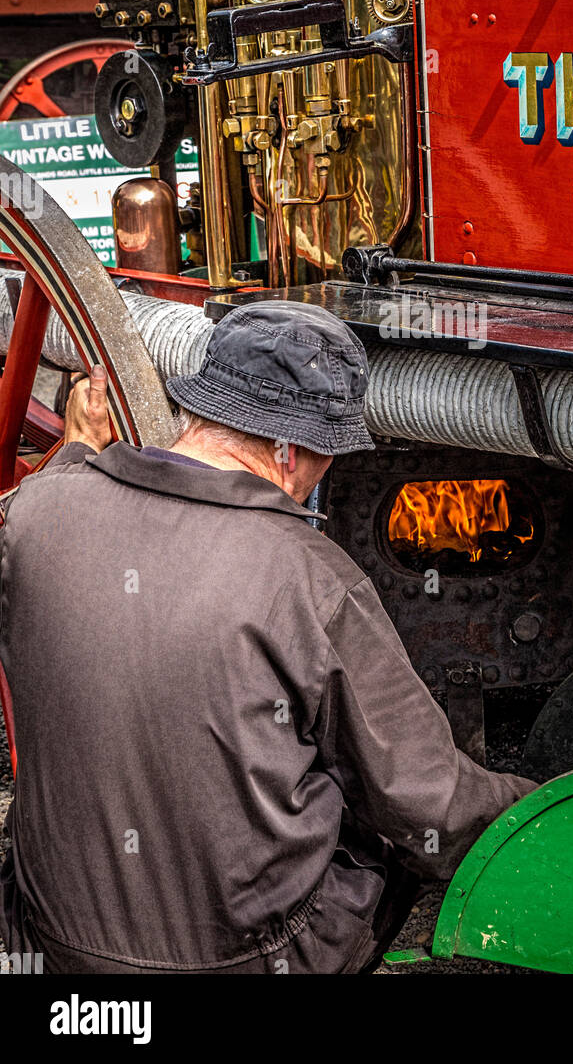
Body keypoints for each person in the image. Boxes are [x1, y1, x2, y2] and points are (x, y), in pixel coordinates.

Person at [0, 301, 534, 974]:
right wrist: (540, 806)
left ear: (201, 405)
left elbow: (53, 512)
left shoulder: (38, 512)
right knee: (384, 818)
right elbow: (425, 798)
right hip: (250, 961)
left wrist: (79, 448)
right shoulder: (306, 575)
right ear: (298, 450)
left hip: (52, 942)